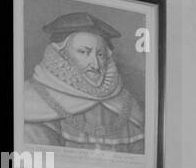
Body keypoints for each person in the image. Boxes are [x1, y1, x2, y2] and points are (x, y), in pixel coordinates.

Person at [23, 12, 144, 155]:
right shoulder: (33, 97)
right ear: (61, 55)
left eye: (100, 54)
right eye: (83, 52)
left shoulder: (126, 103)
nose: (95, 64)